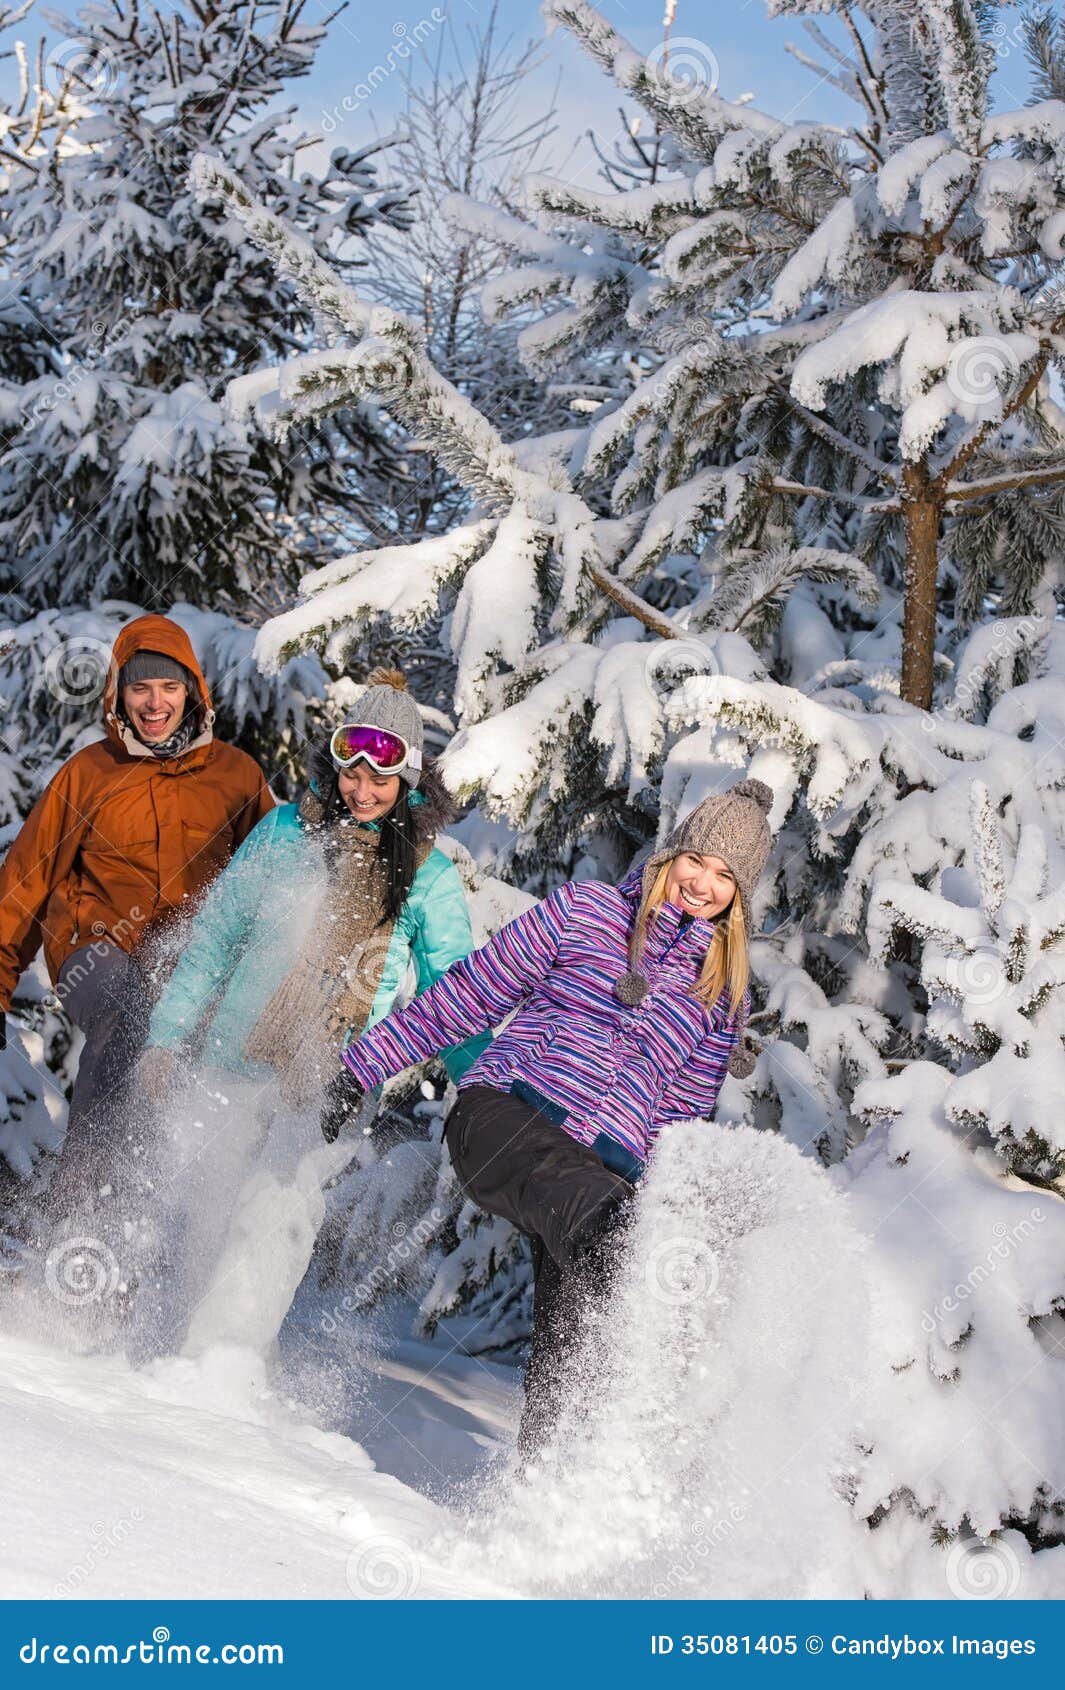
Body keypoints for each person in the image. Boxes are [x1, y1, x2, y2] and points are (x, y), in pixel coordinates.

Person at [322, 775, 774, 1461]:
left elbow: (682, 1122)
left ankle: (544, 1499)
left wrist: (668, 1212)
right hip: (503, 1121)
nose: (702, 884)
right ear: (668, 856)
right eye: (695, 861)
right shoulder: (585, 912)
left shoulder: (721, 993)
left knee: (581, 1341)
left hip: (598, 1182)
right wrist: (362, 1068)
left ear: (739, 896)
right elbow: (468, 998)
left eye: (723, 877)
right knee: (611, 1231)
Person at [138, 670, 487, 1352]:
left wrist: (481, 1083)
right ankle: (173, 1344)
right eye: (350, 773)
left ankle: (228, 1361)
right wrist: (167, 1034)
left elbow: (455, 996)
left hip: (333, 1078)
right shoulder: (283, 833)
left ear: (408, 782)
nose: (361, 790)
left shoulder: (428, 875)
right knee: (208, 1207)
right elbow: (216, 938)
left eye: (379, 780)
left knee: (277, 1213)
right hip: (233, 1054)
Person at [0, 614, 273, 1222]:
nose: (155, 703)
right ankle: (80, 1210)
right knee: (129, 1015)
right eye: (140, 688)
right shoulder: (89, 773)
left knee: (207, 1049)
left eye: (169, 687)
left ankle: (170, 1224)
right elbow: (24, 883)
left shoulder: (236, 775)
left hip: (195, 957)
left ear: (192, 692)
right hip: (94, 947)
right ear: (118, 694)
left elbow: (276, 875)